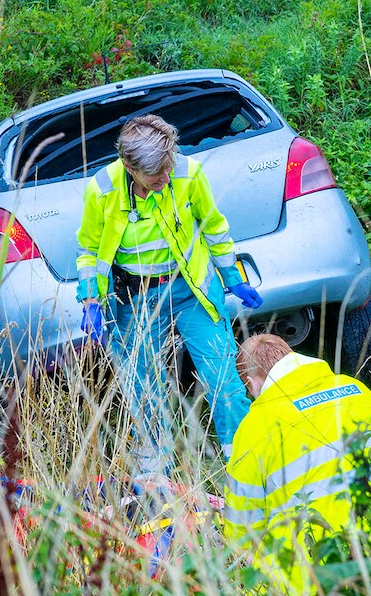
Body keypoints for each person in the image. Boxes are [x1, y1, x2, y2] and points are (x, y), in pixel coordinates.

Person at [75, 114, 263, 476]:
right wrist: (91, 301)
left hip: (191, 289)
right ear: (130, 167)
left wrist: (232, 276)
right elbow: (88, 251)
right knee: (143, 385)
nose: (165, 178)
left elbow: (214, 228)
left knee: (224, 376)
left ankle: (243, 461)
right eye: (156, 175)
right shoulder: (102, 191)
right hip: (137, 298)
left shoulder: (188, 174)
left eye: (167, 168)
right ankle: (154, 470)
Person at [224, 334, 371, 591]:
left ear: (252, 381)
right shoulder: (357, 391)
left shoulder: (253, 428)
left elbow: (242, 530)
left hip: (316, 575)